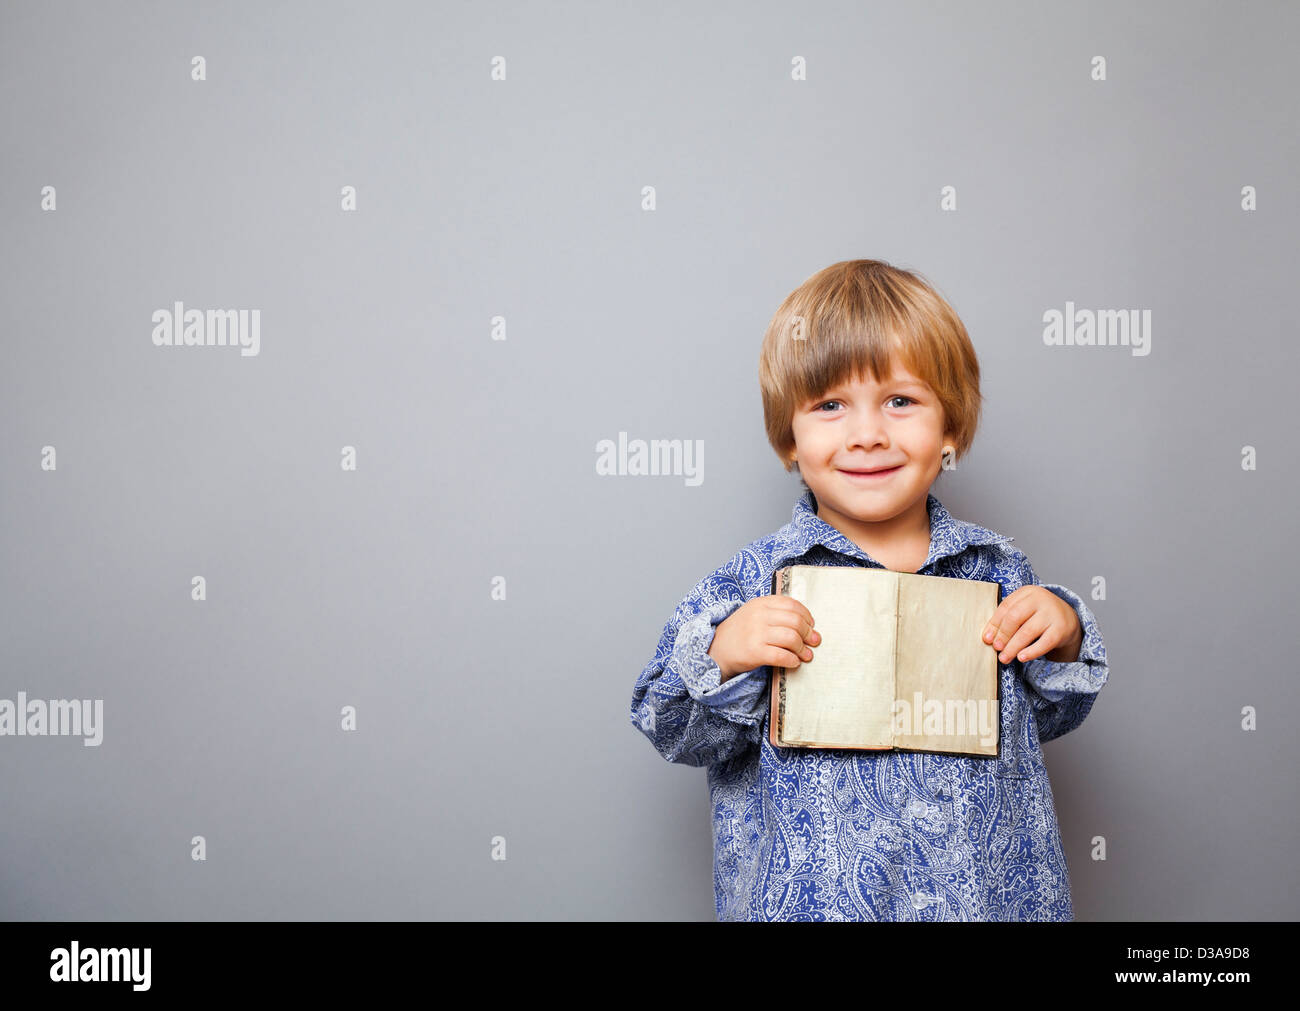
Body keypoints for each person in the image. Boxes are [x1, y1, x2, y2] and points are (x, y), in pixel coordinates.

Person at [629, 259, 1109, 921]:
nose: (867, 434)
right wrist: (726, 652)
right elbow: (668, 724)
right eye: (829, 405)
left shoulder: (997, 572)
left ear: (950, 427)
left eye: (901, 401)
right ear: (788, 435)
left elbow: (1050, 717)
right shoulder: (751, 584)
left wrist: (1062, 632)